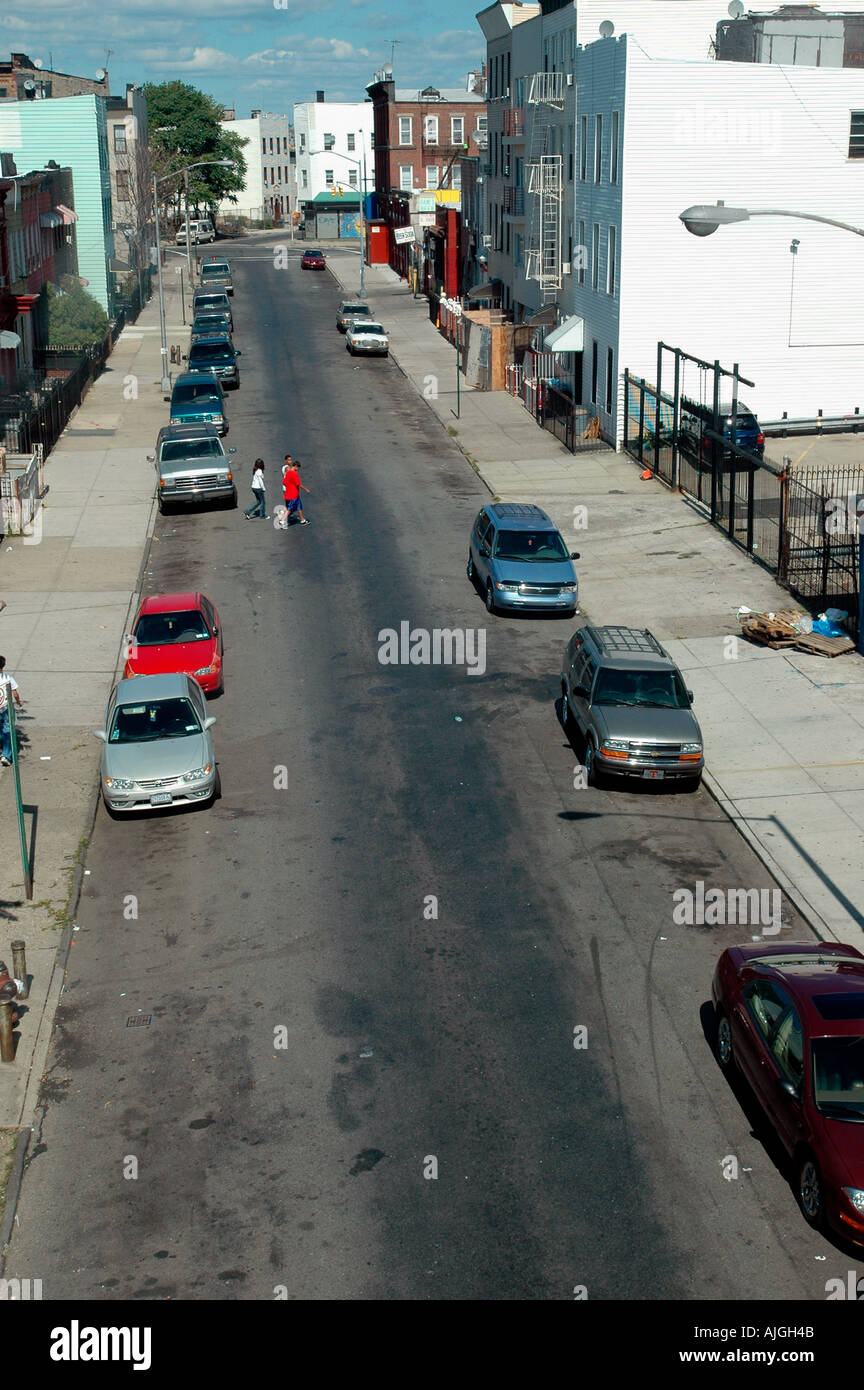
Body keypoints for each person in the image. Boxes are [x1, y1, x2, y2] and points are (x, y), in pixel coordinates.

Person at [0, 656, 23, 767]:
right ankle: (6, 756)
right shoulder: (8, 678)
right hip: (6, 708)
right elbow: (15, 693)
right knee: (7, 731)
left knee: (2, 732)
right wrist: (19, 701)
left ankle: (3, 750)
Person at [280, 458, 311, 527]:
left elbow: (284, 482)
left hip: (292, 493)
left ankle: (302, 520)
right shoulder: (294, 474)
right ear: (296, 466)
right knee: (291, 508)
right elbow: (298, 484)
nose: (298, 470)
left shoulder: (288, 473)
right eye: (298, 468)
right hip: (294, 494)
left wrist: (290, 486)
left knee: (299, 506)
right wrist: (306, 489)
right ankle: (282, 520)